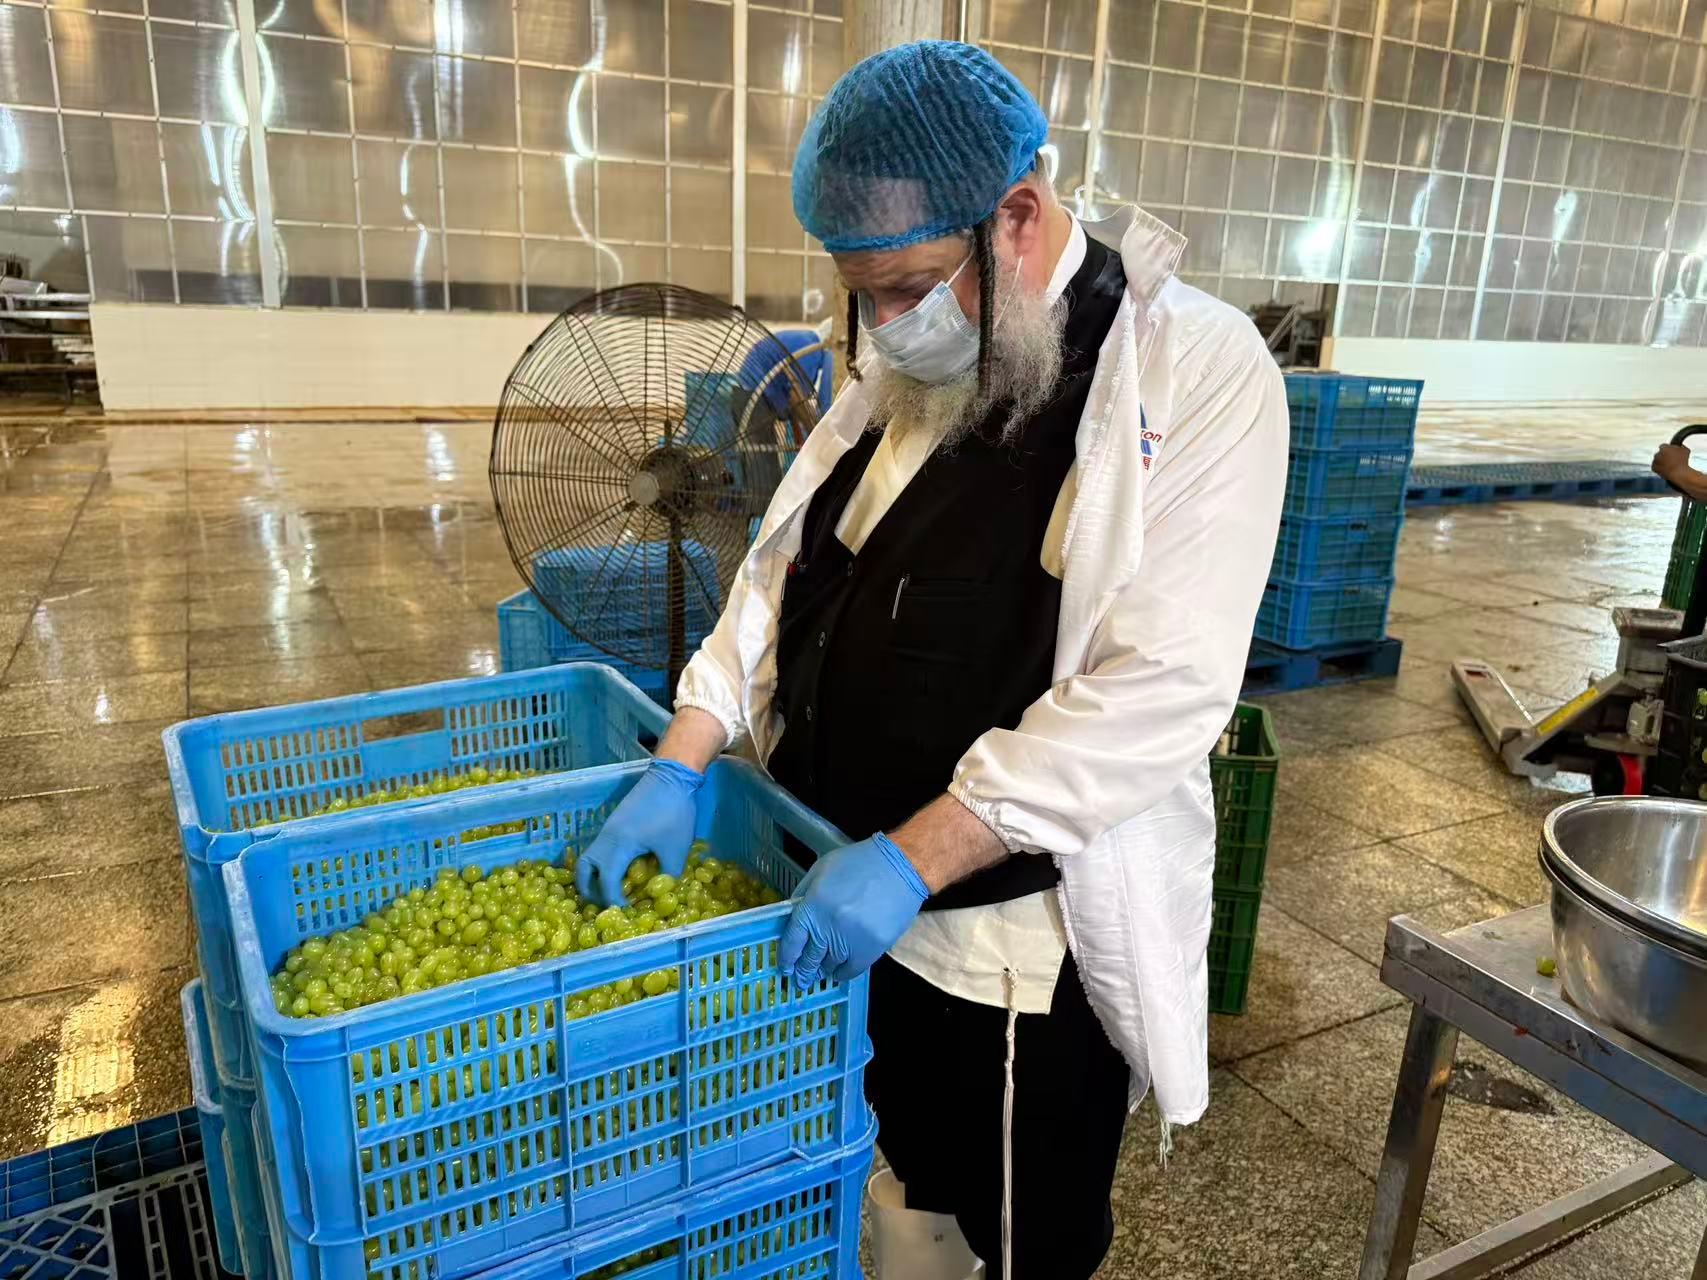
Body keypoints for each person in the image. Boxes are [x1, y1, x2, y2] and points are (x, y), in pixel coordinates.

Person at [575, 40, 1287, 1280]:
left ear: (1018, 214)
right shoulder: (921, 359)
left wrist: (914, 857)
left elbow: (1159, 689)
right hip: (848, 896)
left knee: (1019, 1226)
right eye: (865, 295)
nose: (887, 326)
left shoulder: (1190, 370)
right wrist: (685, 752)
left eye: (909, 286)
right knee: (898, 1178)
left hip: (1004, 952)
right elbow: (787, 567)